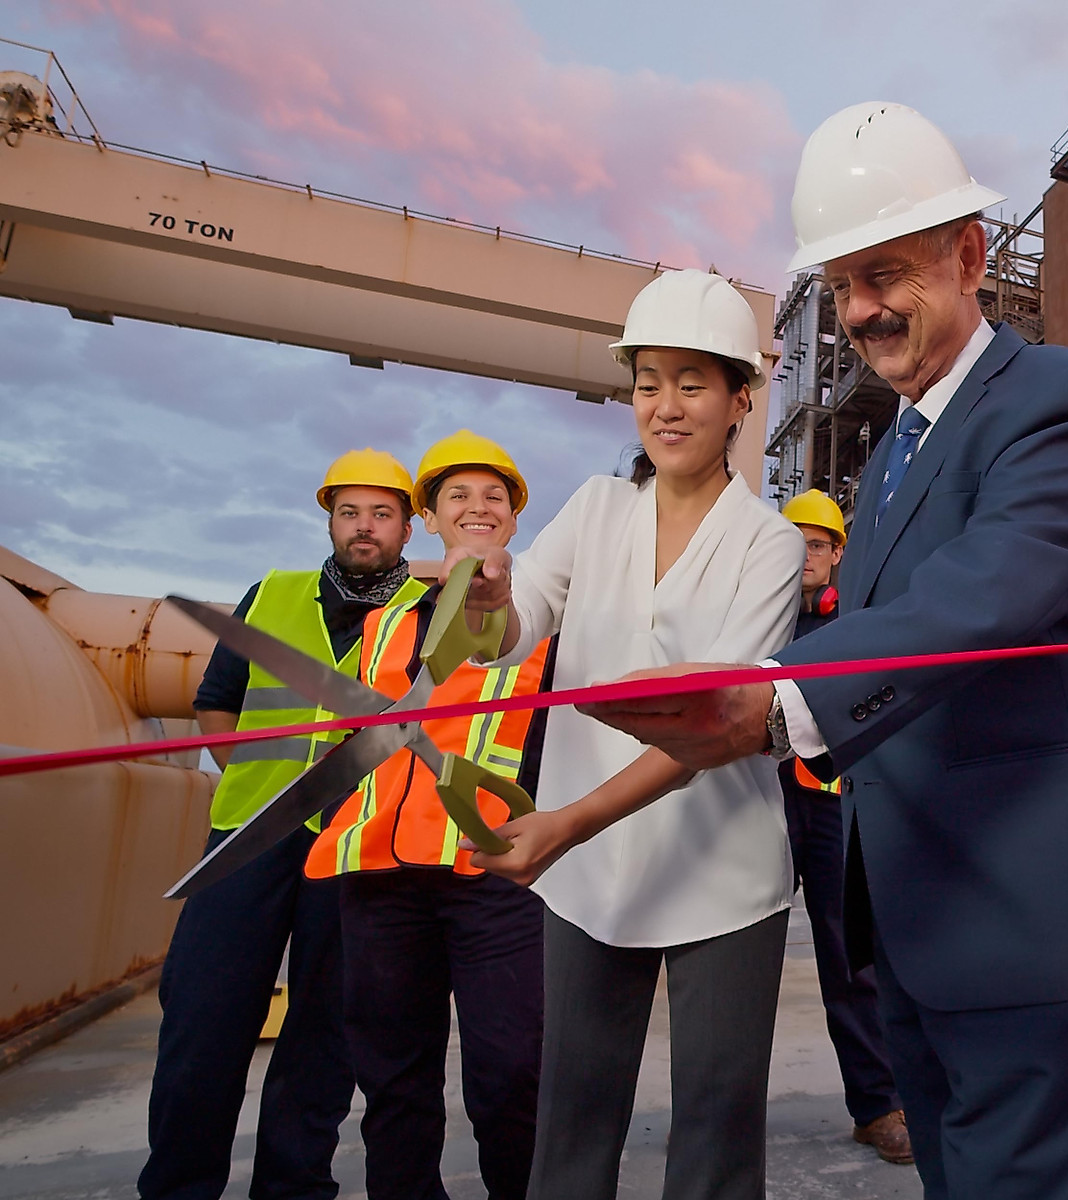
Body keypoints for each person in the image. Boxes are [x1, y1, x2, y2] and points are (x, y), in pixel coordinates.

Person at [575, 103, 1068, 1200]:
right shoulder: (893, 463)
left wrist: (771, 707)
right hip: (922, 928)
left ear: (968, 258)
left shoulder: (1064, 403)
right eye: (843, 285)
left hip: (1042, 926)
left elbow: (986, 594)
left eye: (884, 273)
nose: (861, 310)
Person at [454, 268, 804, 1200]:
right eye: (649, 381)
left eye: (694, 382)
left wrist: (564, 822)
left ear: (739, 398)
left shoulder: (767, 543)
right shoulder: (598, 509)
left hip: (723, 871)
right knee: (571, 1120)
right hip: (592, 882)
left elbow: (716, 730)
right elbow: (516, 621)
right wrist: (486, 598)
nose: (666, 406)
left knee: (718, 1133)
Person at [139, 449, 424, 1200]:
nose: (364, 528)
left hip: (355, 845)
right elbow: (216, 698)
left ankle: (293, 1189)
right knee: (203, 1020)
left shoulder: (423, 616)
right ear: (329, 518)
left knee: (325, 1037)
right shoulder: (272, 594)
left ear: (407, 524)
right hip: (248, 840)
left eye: (381, 513)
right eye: (349, 512)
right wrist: (252, 773)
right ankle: (176, 1188)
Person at [306, 431, 553, 1200]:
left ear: (512, 519)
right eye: (458, 497)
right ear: (431, 519)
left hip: (496, 869)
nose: (477, 508)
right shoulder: (384, 626)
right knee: (392, 1078)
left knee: (512, 1075)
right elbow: (347, 739)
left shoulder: (544, 621)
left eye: (493, 497)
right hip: (381, 874)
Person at [778, 489, 910, 1166]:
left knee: (849, 955)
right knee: (734, 958)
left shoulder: (854, 620)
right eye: (792, 542)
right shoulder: (752, 622)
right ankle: (724, 1109)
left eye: (818, 544)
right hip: (758, 806)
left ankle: (878, 1103)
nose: (804, 555)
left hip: (830, 805)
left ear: (836, 556)